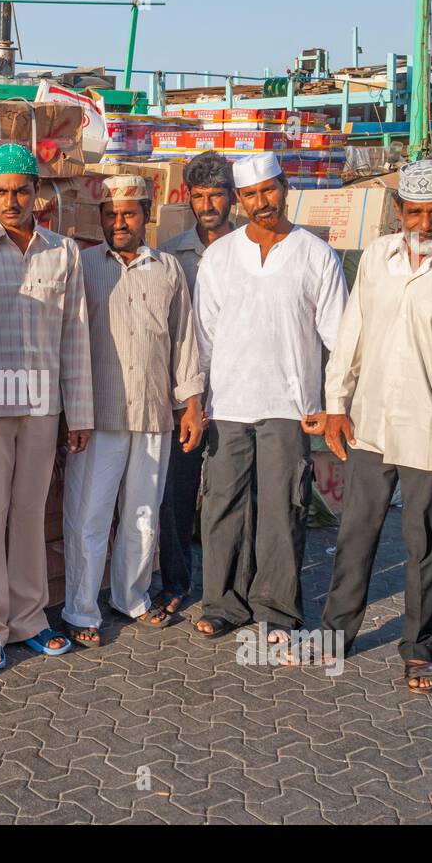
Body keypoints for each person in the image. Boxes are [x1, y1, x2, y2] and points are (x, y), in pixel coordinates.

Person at [314, 159, 432, 693]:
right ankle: (334, 636)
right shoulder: (377, 257)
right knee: (355, 537)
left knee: (426, 546)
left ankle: (418, 652)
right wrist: (336, 402)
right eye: (414, 212)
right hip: (372, 425)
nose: (424, 224)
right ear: (399, 211)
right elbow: (353, 332)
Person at [0, 143, 94, 669]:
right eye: (2, 191)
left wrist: (78, 413)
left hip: (41, 406)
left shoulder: (64, 252)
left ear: (38, 193)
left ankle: (29, 618)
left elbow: (75, 334)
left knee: (30, 514)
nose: (12, 200)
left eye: (22, 191)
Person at [192, 153, 347, 644]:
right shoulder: (219, 257)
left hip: (290, 406)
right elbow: (202, 336)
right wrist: (197, 399)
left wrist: (333, 404)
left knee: (283, 507)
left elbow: (339, 337)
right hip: (229, 404)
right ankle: (223, 605)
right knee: (223, 505)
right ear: (240, 200)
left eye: (269, 190)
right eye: (251, 195)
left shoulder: (315, 254)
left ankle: (277, 609)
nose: (262, 203)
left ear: (284, 187)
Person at [61, 175, 204, 647]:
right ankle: (81, 611)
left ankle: (131, 598)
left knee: (143, 515)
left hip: (153, 412)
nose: (118, 222)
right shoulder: (82, 267)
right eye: (110, 213)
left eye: (128, 213)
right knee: (90, 517)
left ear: (147, 214)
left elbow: (184, 340)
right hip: (97, 415)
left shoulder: (168, 271)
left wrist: (191, 403)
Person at [155, 150, 249, 617]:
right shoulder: (171, 254)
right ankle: (175, 582)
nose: (208, 204)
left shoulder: (250, 251)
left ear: (233, 198)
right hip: (182, 393)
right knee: (177, 493)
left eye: (216, 195)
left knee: (227, 495)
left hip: (237, 392)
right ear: (188, 198)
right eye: (199, 196)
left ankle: (228, 587)